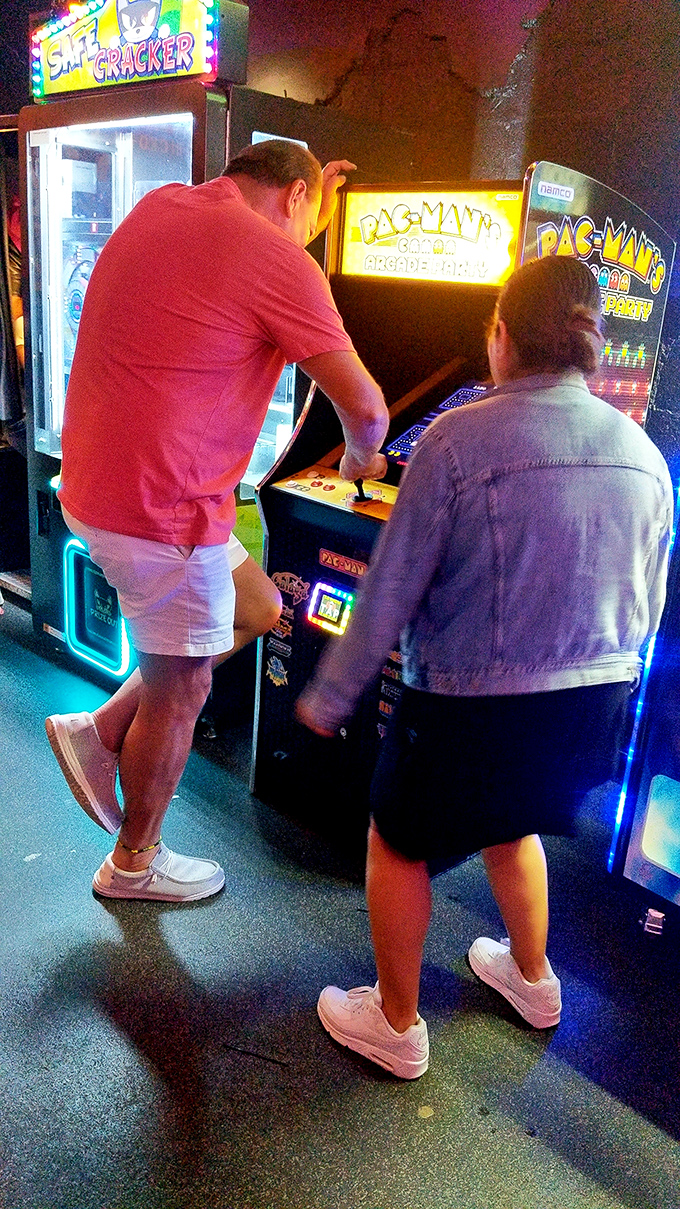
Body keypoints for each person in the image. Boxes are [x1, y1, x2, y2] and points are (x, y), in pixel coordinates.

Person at [296, 254, 674, 1079]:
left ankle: (396, 1023)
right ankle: (534, 980)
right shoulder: (644, 454)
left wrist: (328, 691)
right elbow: (645, 607)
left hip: (472, 707)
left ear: (501, 335)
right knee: (515, 820)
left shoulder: (456, 438)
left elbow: (392, 585)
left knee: (395, 840)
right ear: (590, 342)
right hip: (594, 708)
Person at [46, 139, 388, 904]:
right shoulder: (276, 256)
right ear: (296, 197)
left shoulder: (163, 204)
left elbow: (240, 272)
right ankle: (133, 862)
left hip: (101, 485)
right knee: (184, 685)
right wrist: (363, 462)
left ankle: (98, 729)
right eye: (308, 221)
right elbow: (367, 408)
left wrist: (308, 210)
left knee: (261, 607)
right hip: (163, 511)